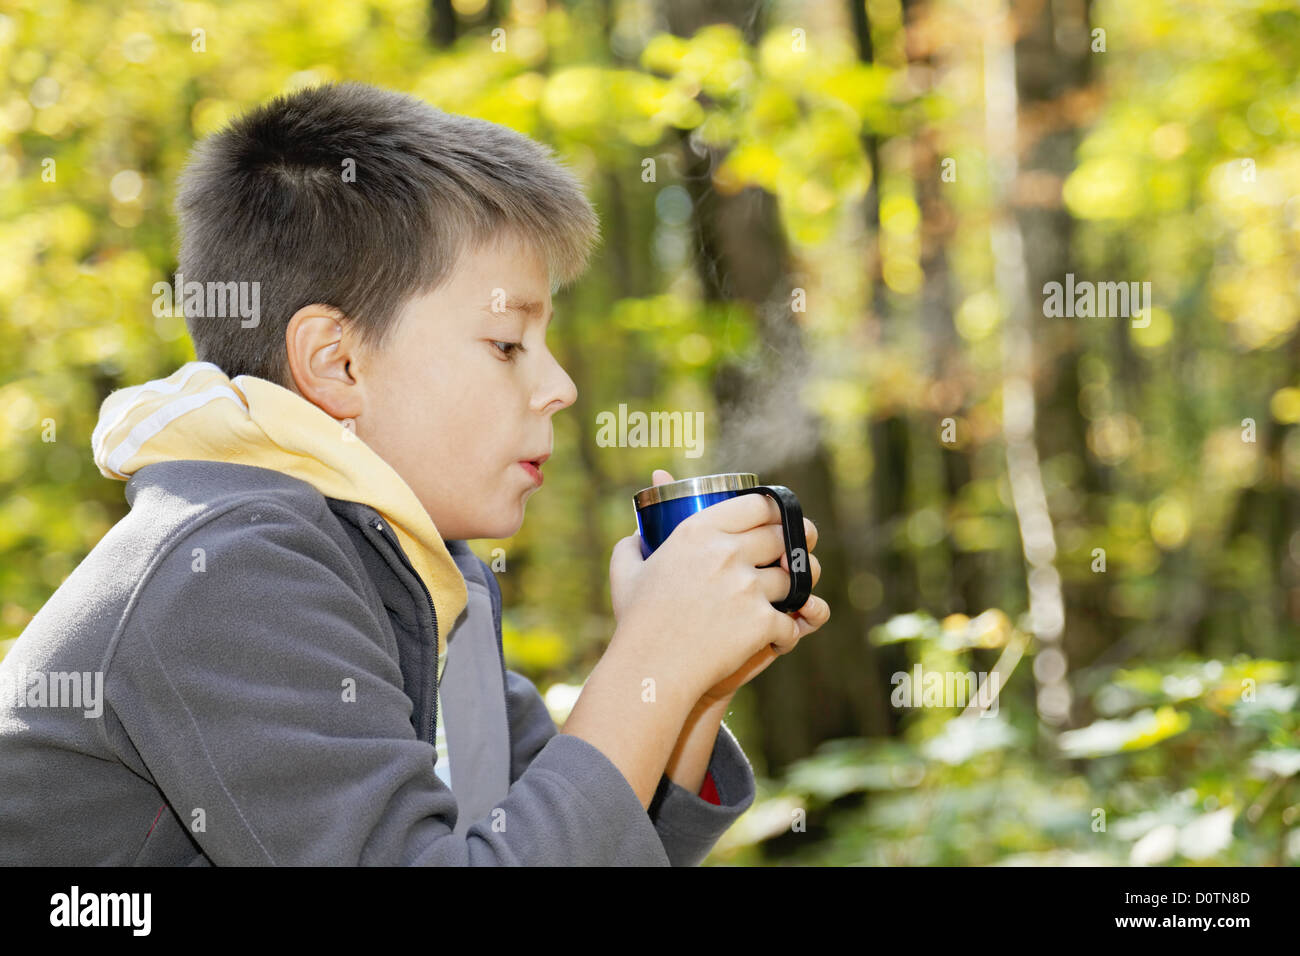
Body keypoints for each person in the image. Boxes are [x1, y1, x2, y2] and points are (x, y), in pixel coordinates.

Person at [0, 81, 829, 865]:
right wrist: (652, 662)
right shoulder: (227, 572)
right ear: (339, 363)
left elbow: (567, 845)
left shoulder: (424, 580)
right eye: (507, 343)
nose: (561, 386)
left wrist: (693, 685)